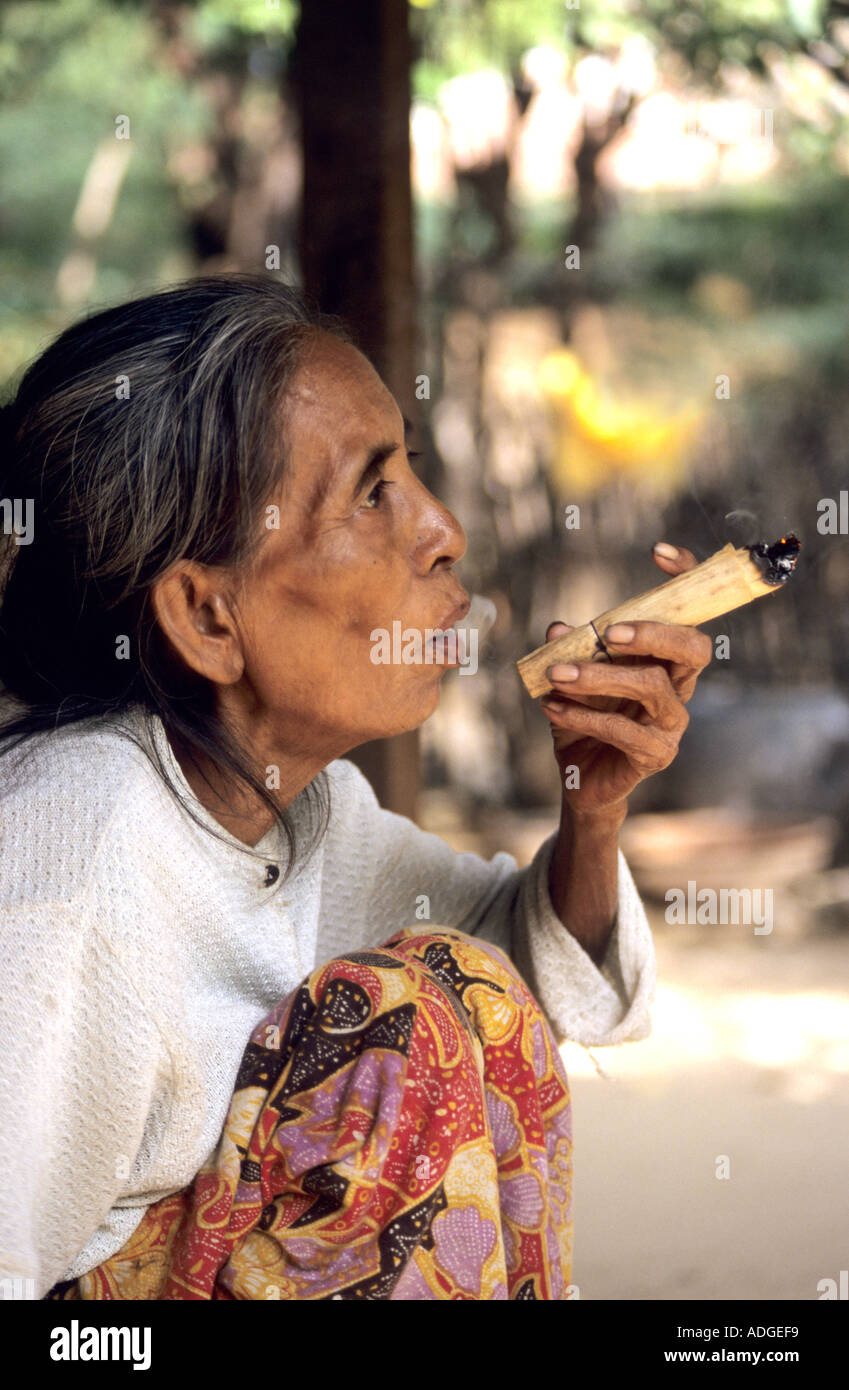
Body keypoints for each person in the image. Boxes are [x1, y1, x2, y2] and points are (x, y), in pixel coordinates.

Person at [0, 275, 710, 1301]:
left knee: (459, 1001)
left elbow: (523, 986)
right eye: (372, 494)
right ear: (207, 616)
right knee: (405, 1027)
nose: (443, 529)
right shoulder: (63, 873)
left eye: (409, 469)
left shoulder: (292, 806)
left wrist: (592, 806)